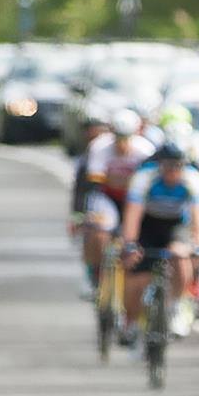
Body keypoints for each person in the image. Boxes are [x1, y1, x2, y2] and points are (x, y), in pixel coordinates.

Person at [120, 140, 199, 342]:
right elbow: (132, 216)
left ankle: (177, 305)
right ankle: (131, 321)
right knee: (138, 278)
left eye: (177, 166)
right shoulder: (144, 178)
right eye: (168, 166)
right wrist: (130, 244)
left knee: (179, 255)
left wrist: (198, 245)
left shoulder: (194, 180)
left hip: (177, 225)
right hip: (148, 225)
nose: (172, 172)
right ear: (160, 166)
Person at [81, 109, 156, 318]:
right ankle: (95, 273)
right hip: (107, 196)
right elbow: (94, 182)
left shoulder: (145, 150)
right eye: (118, 138)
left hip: (134, 199)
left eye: (127, 138)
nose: (122, 143)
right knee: (99, 229)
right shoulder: (100, 147)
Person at [68, 112, 112, 299]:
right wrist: (77, 214)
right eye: (91, 132)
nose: (95, 135)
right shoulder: (86, 158)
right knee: (92, 229)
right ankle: (91, 274)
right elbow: (81, 188)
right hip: (98, 198)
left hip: (120, 199)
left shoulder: (113, 147)